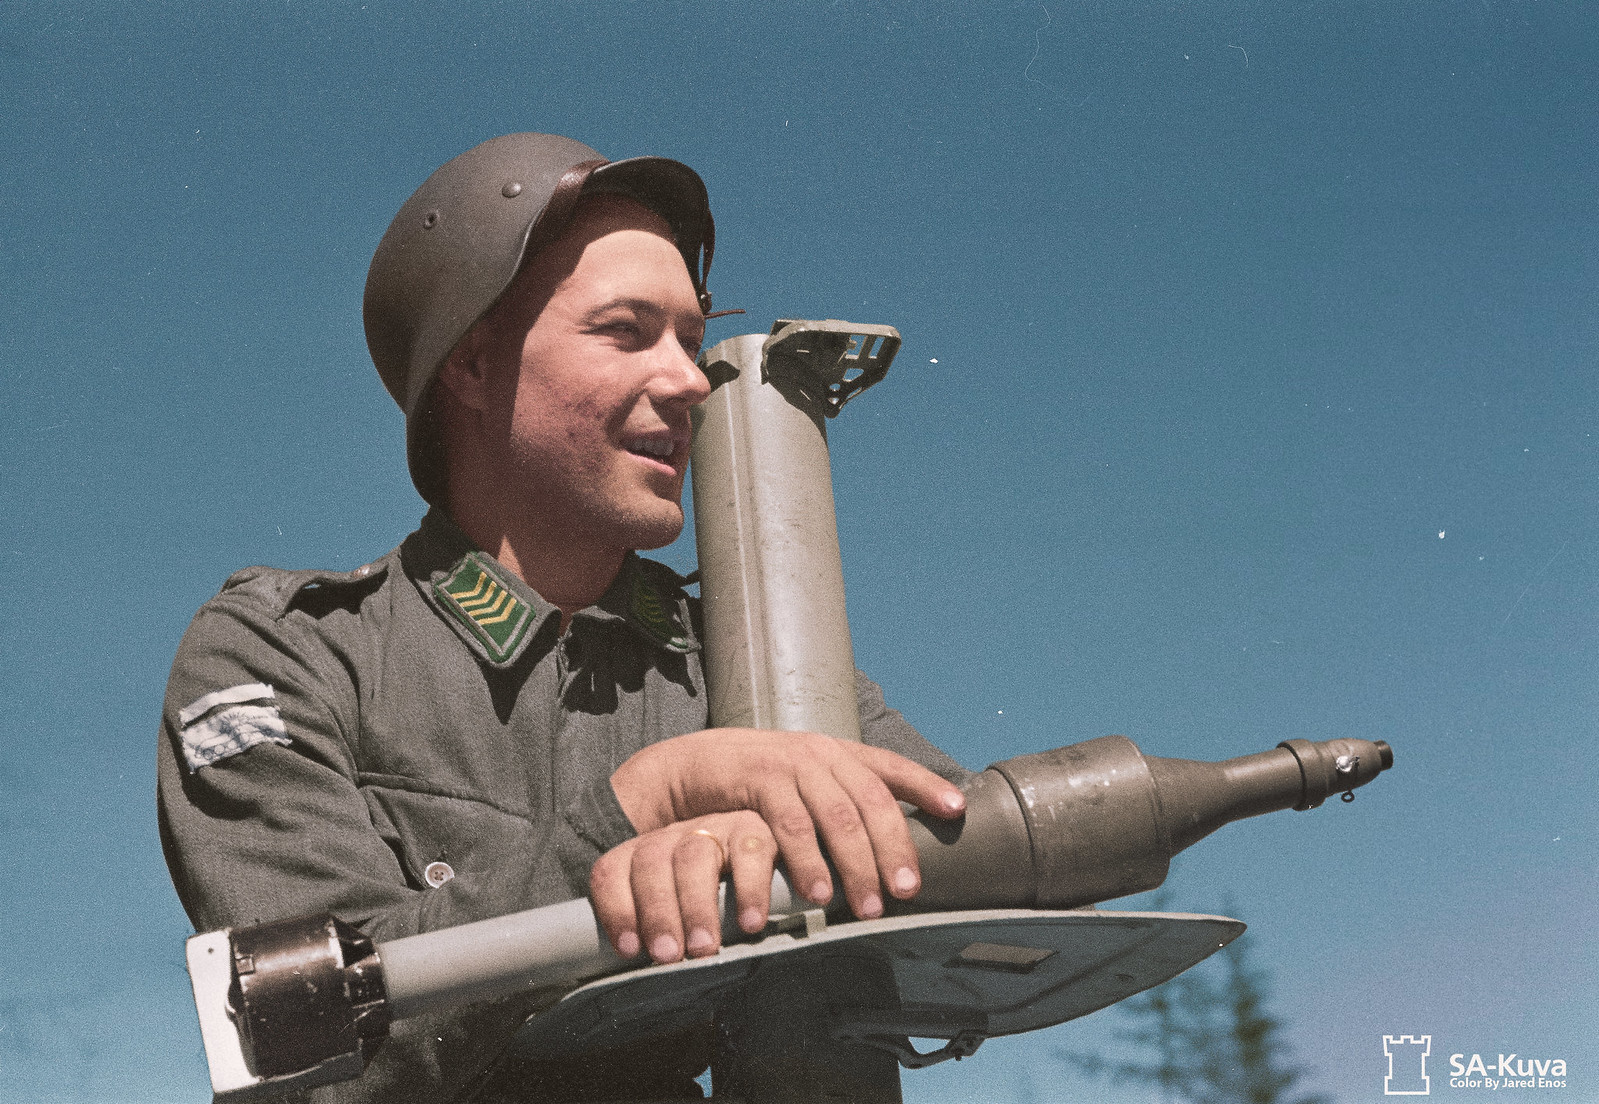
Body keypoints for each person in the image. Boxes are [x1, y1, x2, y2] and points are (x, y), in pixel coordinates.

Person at [157, 132, 969, 1102]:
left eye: (690, 336)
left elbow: (967, 853)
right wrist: (633, 817)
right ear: (471, 360)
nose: (685, 380)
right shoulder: (291, 651)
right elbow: (309, 1052)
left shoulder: (739, 662)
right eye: (627, 331)